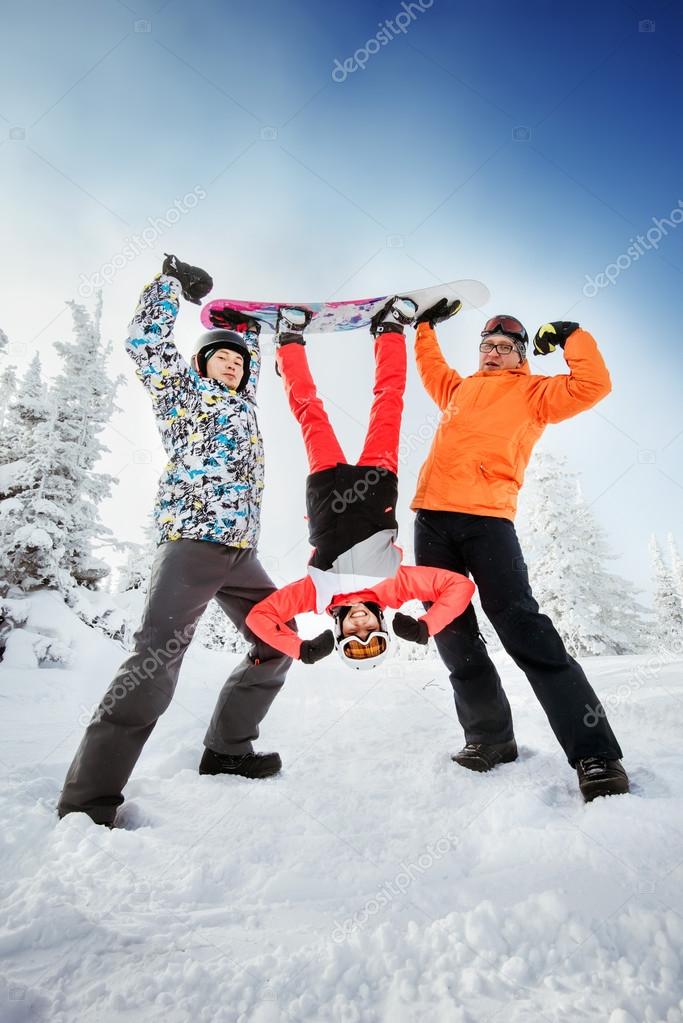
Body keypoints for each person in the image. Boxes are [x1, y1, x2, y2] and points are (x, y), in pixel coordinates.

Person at [57, 256, 294, 827]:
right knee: (155, 661)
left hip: (239, 553)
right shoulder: (184, 398)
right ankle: (88, 800)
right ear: (200, 366)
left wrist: (251, 330)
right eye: (223, 359)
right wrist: (170, 286)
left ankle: (227, 750)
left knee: (278, 640)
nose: (234, 366)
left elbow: (246, 361)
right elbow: (145, 344)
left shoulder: (242, 405)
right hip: (190, 544)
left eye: (240, 362)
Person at [410, 306, 629, 802]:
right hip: (431, 519)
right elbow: (430, 367)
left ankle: (595, 754)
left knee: (522, 625)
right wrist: (422, 326)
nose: (493, 352)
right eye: (487, 345)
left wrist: (573, 336)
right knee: (451, 630)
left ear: (520, 356)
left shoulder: (536, 393)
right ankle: (490, 740)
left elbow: (592, 386)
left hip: (489, 520)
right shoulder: (457, 388)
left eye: (505, 347)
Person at [243, 299, 475, 668]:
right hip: (376, 486)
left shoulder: (314, 596)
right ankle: (390, 329)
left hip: (327, 492)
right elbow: (460, 587)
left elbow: (260, 617)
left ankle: (288, 340)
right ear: (383, 625)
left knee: (310, 411)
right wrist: (426, 627)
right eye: (374, 637)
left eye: (354, 640)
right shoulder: (397, 589)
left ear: (339, 634)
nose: (361, 628)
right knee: (389, 404)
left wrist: (299, 649)